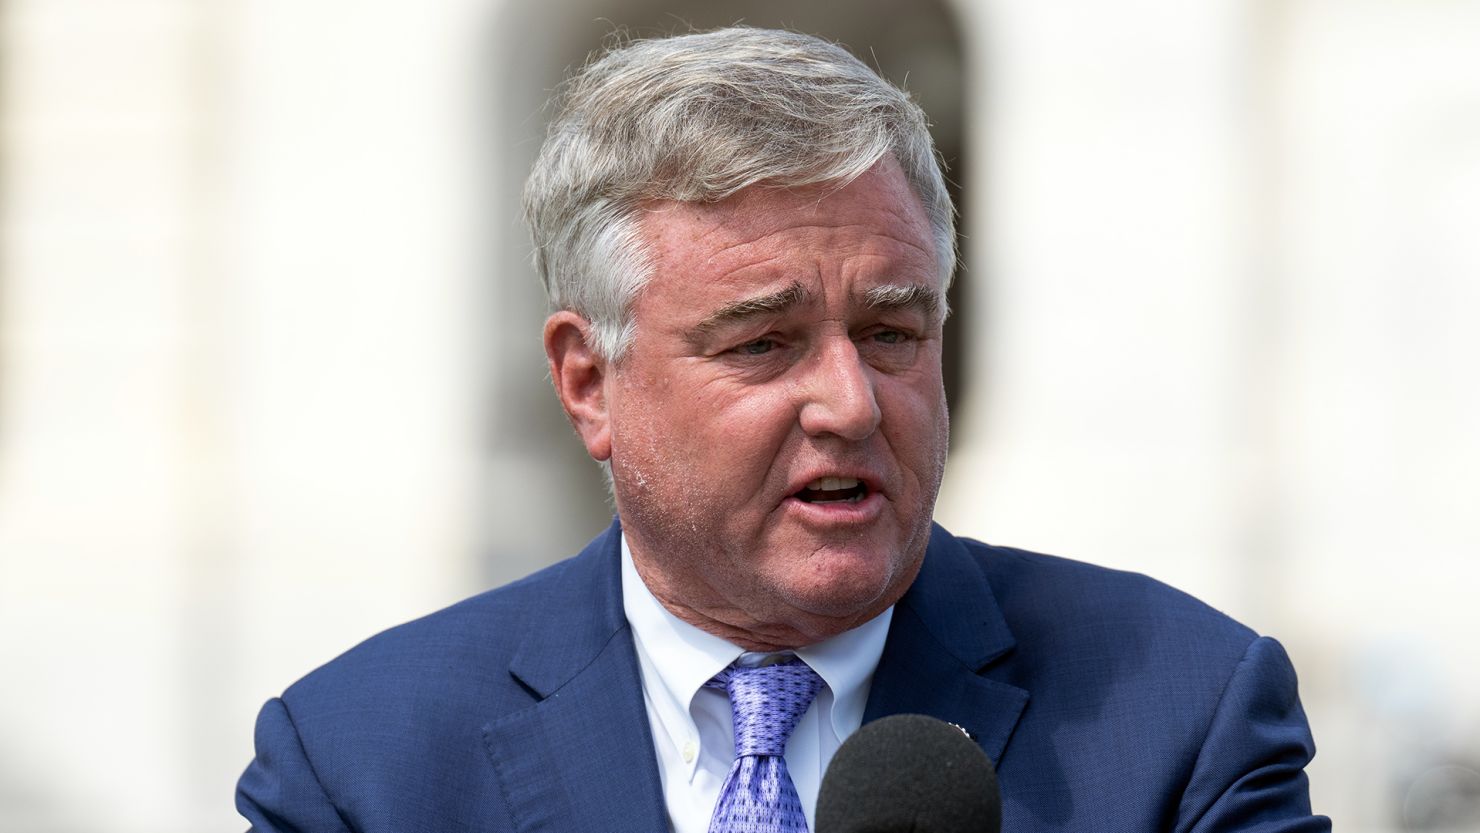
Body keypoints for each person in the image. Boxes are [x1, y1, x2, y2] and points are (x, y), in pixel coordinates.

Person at [237, 27, 1329, 833]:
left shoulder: (1183, 716)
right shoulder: (358, 766)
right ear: (587, 382)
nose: (852, 403)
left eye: (892, 332)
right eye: (763, 343)